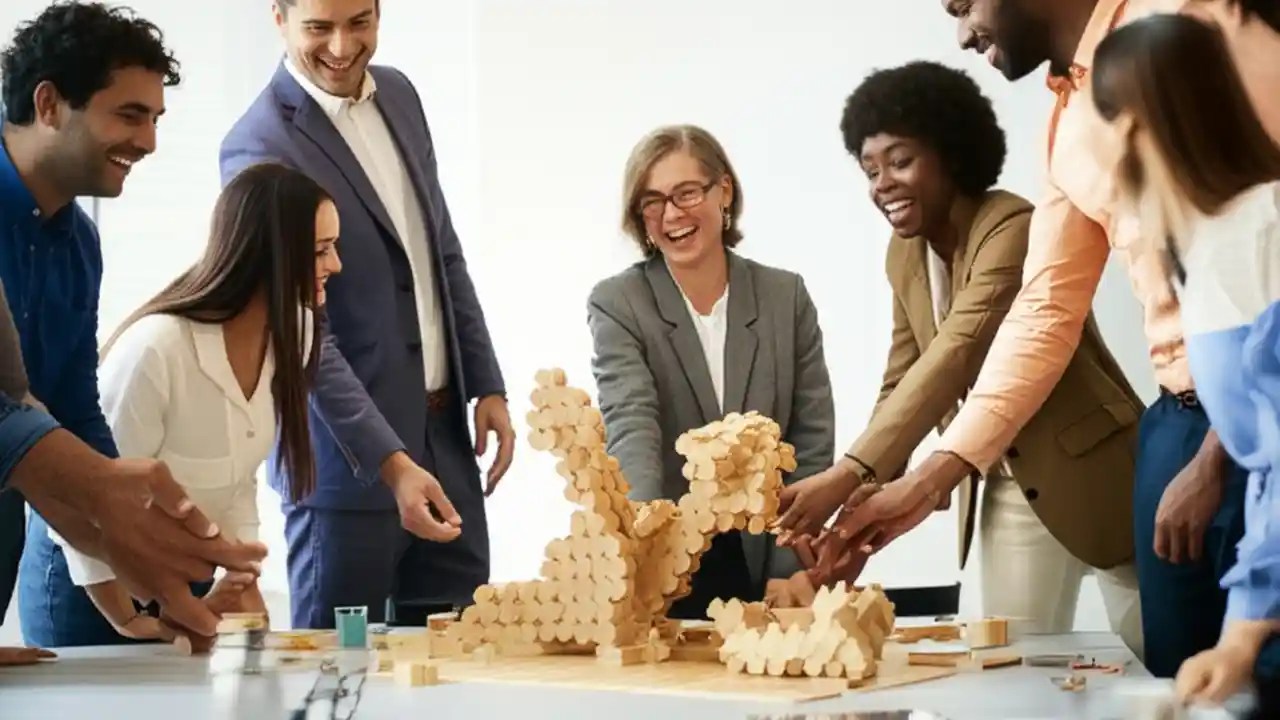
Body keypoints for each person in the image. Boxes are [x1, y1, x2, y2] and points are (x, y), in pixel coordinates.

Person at [827, 0, 1280, 678]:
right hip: (1178, 422)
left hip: (1234, 421)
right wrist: (923, 484)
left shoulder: (1195, 24)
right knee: (1181, 670)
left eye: (965, 4)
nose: (961, 31)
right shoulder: (1066, 123)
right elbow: (1043, 312)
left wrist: (1219, 455)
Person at [776, 62, 1143, 649]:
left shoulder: (1014, 225)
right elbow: (903, 382)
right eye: (870, 170)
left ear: (952, 154)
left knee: (1170, 656)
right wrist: (855, 509)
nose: (882, 183)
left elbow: (954, 356)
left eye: (900, 161)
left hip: (1097, 469)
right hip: (998, 482)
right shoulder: (904, 259)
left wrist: (847, 471)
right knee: (1005, 664)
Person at [220, 0, 513, 629]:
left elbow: (441, 249)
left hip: (446, 443)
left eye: (359, 22)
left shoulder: (401, 96)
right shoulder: (259, 142)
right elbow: (301, 329)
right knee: (335, 679)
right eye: (318, 28)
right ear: (278, 17)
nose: (342, 46)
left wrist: (486, 382)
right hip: (346, 475)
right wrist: (390, 461)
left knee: (453, 666)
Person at [0, 1, 266, 658]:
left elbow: (70, 405)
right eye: (129, 114)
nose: (148, 142)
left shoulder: (79, 244)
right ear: (50, 103)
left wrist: (144, 543)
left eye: (154, 119)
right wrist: (107, 502)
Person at [39, 162, 343, 645]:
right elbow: (82, 494)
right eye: (321, 250)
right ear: (270, 255)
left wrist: (241, 577)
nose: (335, 265)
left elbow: (237, 473)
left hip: (181, 568)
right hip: (92, 583)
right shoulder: (157, 350)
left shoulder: (297, 332)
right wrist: (129, 619)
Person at [1089, 15, 1280, 714]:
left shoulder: (1263, 233)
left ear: (1138, 129)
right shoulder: (1201, 246)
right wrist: (1242, 633)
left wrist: (1243, 636)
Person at [588, 124, 835, 614]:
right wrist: (643, 553)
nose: (671, 214)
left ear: (724, 191)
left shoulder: (786, 297)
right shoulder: (619, 302)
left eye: (686, 193)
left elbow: (810, 441)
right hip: (670, 562)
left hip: (769, 556)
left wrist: (790, 566)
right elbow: (631, 422)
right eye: (652, 201)